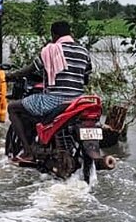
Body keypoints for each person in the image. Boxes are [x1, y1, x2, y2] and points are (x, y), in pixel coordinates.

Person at [8, 21, 92, 162]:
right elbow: (86, 77)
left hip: (54, 101)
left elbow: (29, 70)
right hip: (78, 102)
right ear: (70, 33)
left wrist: (10, 75)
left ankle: (28, 152)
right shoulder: (84, 51)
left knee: (12, 107)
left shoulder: (50, 50)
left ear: (54, 35)